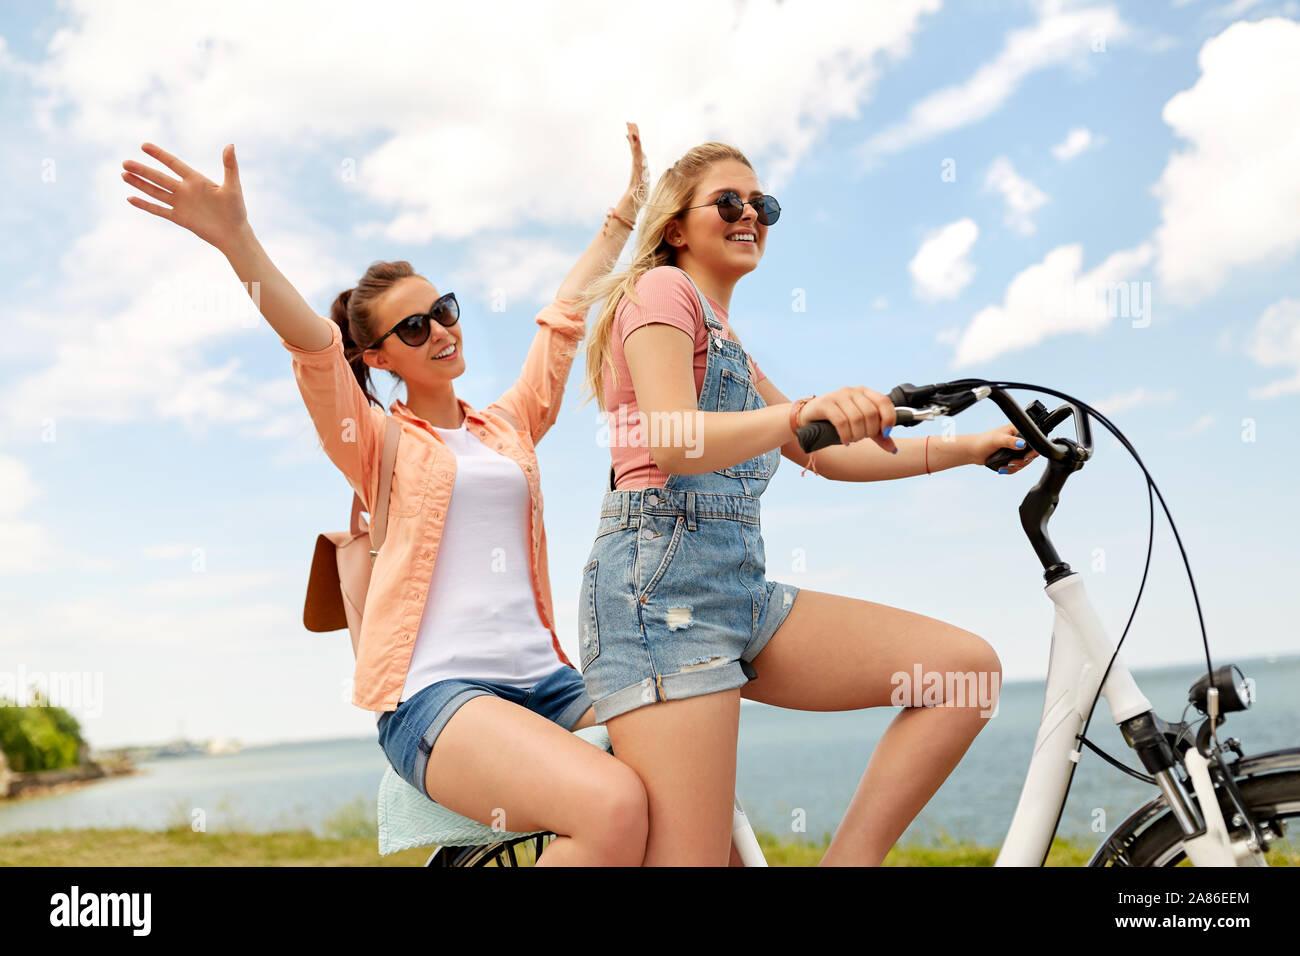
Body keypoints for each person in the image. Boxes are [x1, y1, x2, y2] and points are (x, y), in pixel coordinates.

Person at [121, 123, 654, 865]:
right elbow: (311, 346)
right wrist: (238, 243)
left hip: (552, 682)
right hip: (438, 697)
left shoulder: (507, 426)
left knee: (682, 772)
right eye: (413, 327)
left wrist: (624, 217)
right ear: (376, 356)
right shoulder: (376, 440)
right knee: (615, 806)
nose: (440, 329)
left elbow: (565, 316)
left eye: (445, 309)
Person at [569, 141, 1040, 866]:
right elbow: (670, 440)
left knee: (962, 674)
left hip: (735, 585)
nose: (751, 214)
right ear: (675, 227)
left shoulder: (729, 343)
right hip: (657, 592)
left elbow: (820, 454)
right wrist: (801, 413)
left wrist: (969, 447)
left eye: (765, 206)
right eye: (730, 202)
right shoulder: (660, 292)